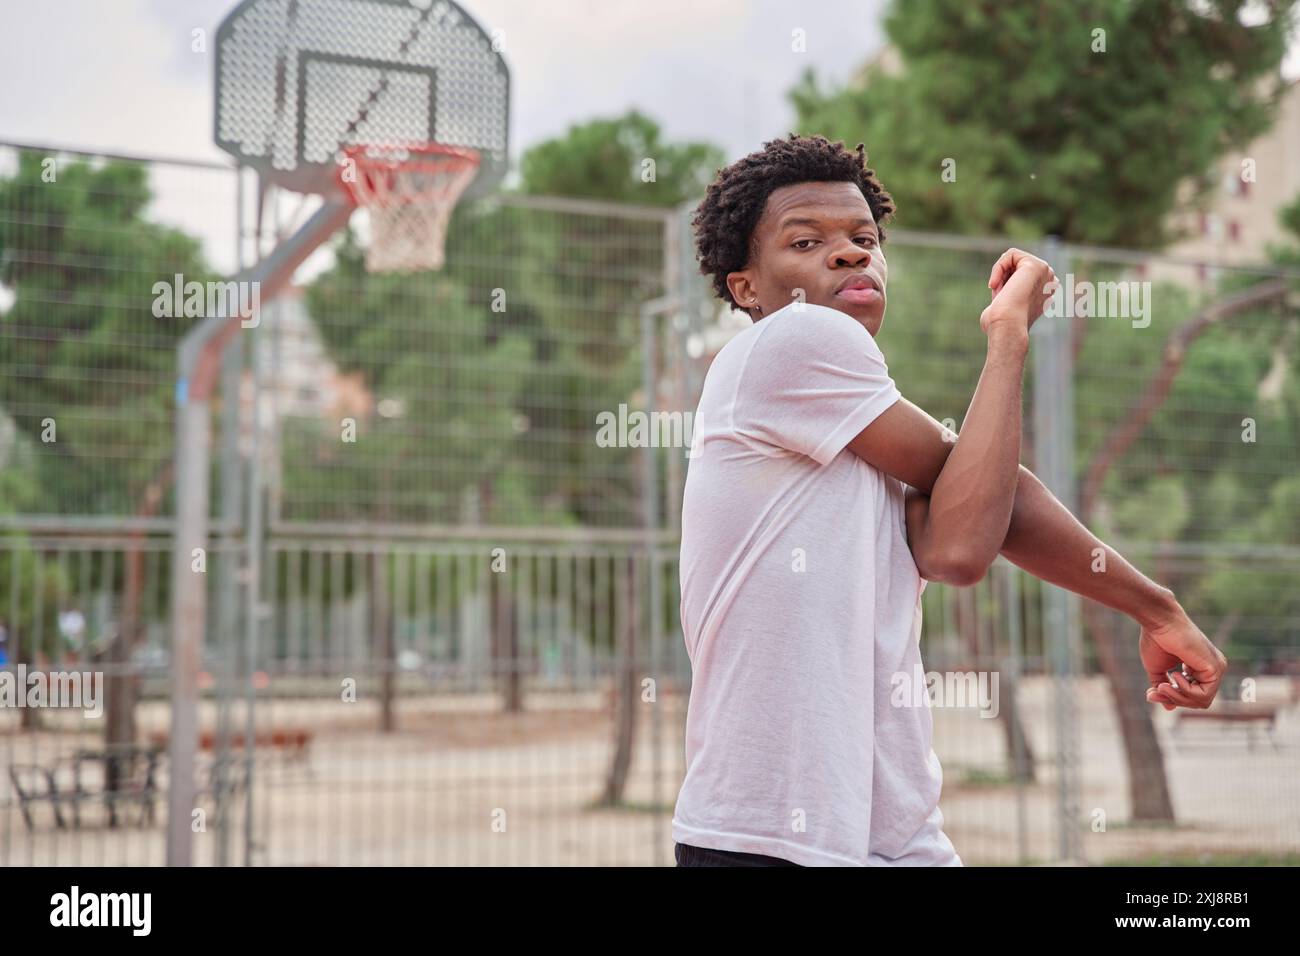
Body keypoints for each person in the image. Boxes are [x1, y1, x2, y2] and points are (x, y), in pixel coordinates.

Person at [672, 133, 1228, 868]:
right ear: (747, 287)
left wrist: (1158, 608)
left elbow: (964, 533)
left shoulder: (860, 419)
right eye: (806, 241)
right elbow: (972, 528)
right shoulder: (791, 340)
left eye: (864, 238)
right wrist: (1006, 340)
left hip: (891, 832)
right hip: (771, 834)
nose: (849, 253)